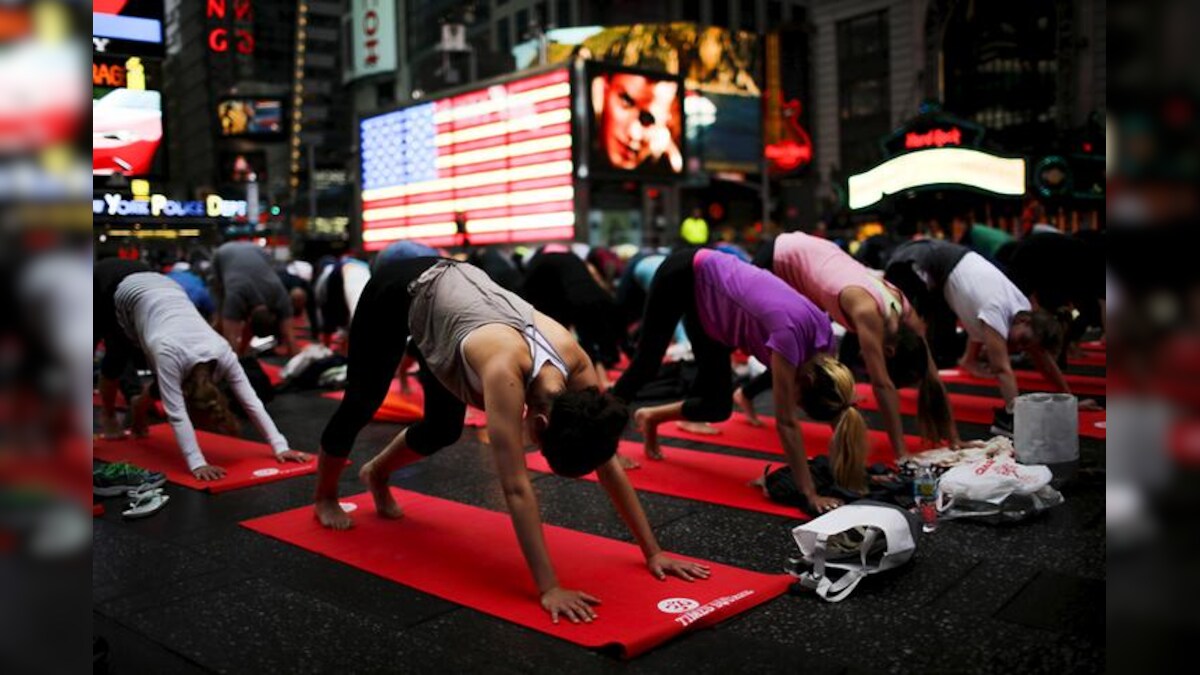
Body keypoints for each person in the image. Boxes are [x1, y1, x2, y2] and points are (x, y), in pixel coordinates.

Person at [313, 257, 709, 624]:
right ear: (537, 425)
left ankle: (376, 473)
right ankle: (325, 495)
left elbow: (606, 458)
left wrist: (653, 551)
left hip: (458, 308)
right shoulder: (505, 376)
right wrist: (549, 587)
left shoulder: (577, 364)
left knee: (443, 428)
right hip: (399, 291)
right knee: (362, 401)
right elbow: (516, 487)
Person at [612, 248, 870, 514]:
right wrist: (809, 493)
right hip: (686, 272)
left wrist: (855, 472)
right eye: (800, 401)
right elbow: (786, 423)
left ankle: (650, 416)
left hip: (712, 311)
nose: (795, 403)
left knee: (717, 406)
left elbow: (839, 405)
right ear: (804, 382)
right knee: (646, 364)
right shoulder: (789, 338)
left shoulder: (825, 349)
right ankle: (605, 441)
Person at [94, 259, 309, 481]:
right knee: (116, 355)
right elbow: (177, 414)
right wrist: (197, 463)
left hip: (161, 286)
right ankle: (108, 415)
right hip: (114, 288)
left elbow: (251, 401)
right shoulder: (169, 352)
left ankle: (138, 407)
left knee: (166, 375)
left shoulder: (222, 350)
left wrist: (281, 446)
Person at [749, 232, 959, 458]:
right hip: (781, 256)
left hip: (817, 254)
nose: (865, 365)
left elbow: (932, 377)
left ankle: (745, 393)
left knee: (810, 354)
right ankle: (737, 398)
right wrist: (901, 453)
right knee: (788, 349)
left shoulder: (904, 311)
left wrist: (955, 439)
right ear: (889, 351)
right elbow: (882, 385)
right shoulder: (867, 312)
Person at [884, 239, 1070, 436]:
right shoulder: (998, 308)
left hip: (941, 261)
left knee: (935, 332)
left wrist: (1068, 397)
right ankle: (886, 378)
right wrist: (1017, 417)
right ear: (1024, 321)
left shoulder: (1022, 310)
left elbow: (1042, 358)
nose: (1020, 347)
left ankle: (968, 360)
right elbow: (1001, 368)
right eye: (1022, 341)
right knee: (910, 331)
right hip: (918, 258)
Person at [520, 251, 623, 388]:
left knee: (584, 344)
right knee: (586, 343)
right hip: (578, 301)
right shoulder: (571, 263)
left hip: (568, 303)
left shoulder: (540, 267)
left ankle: (598, 379)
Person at [211, 241, 297, 356]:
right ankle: (215, 328)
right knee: (222, 313)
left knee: (229, 318)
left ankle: (241, 350)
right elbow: (230, 338)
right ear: (248, 319)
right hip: (223, 254)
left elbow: (289, 335)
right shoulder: (235, 296)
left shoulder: (280, 294)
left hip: (257, 250)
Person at [592, 72, 683, 173]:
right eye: (626, 101)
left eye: (648, 119)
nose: (634, 133)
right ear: (603, 89)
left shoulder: (663, 164)